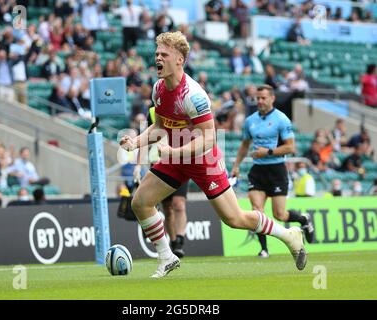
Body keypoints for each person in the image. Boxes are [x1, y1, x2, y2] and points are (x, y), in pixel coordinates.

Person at [120, 31, 307, 278]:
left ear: (180, 59)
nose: (158, 58)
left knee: (235, 219)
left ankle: (288, 235)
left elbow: (209, 138)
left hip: (203, 160)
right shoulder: (158, 90)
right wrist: (135, 142)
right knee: (140, 202)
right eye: (156, 54)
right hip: (176, 158)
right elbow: (159, 127)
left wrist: (175, 151)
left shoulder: (194, 95)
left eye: (164, 54)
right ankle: (166, 257)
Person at [231, 85, 314, 258]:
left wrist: (267, 152)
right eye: (257, 98)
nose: (260, 101)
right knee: (257, 211)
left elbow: (291, 147)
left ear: (272, 99)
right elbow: (244, 145)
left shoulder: (282, 119)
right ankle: (264, 249)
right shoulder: (250, 120)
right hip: (257, 171)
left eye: (263, 98)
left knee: (279, 214)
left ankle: (303, 220)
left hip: (277, 170)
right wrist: (236, 166)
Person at [134, 105, 188, 258]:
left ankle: (179, 241)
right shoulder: (152, 111)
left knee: (179, 203)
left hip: (181, 162)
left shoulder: (184, 107)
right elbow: (146, 139)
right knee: (168, 208)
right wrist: (138, 165)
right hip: (159, 163)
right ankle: (173, 243)